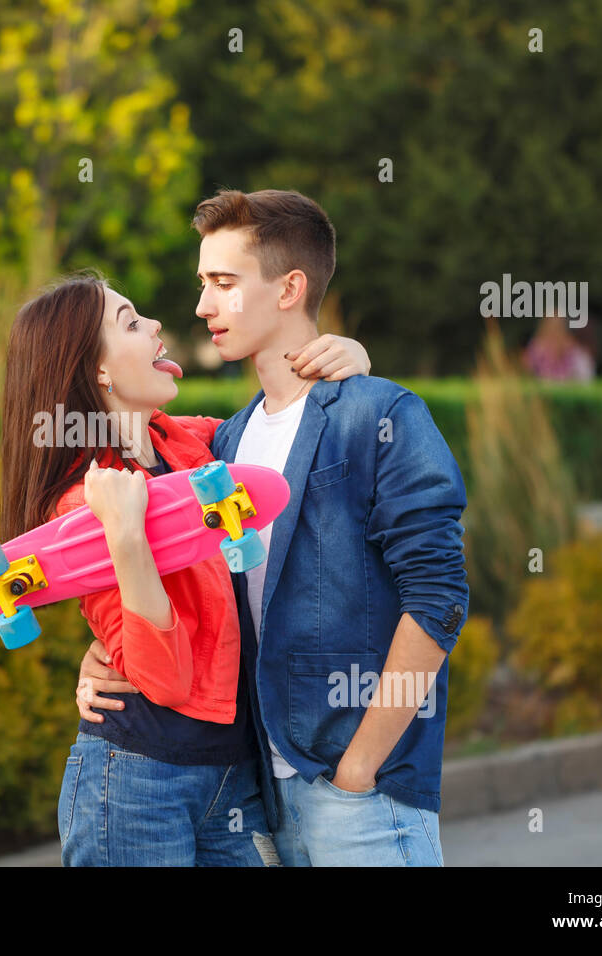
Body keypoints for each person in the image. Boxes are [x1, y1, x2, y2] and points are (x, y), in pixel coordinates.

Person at [77, 189, 469, 866]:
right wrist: (102, 657)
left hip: (363, 804)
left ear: (290, 288)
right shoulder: (222, 449)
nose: (202, 307)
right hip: (263, 804)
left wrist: (359, 772)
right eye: (203, 284)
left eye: (224, 284)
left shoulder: (380, 415)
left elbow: (438, 601)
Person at [0, 269, 371, 866]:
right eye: (130, 322)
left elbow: (285, 437)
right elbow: (165, 681)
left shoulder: (189, 446)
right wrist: (124, 534)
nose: (155, 326)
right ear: (97, 370)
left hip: (232, 773)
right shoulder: (81, 507)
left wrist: (350, 360)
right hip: (137, 784)